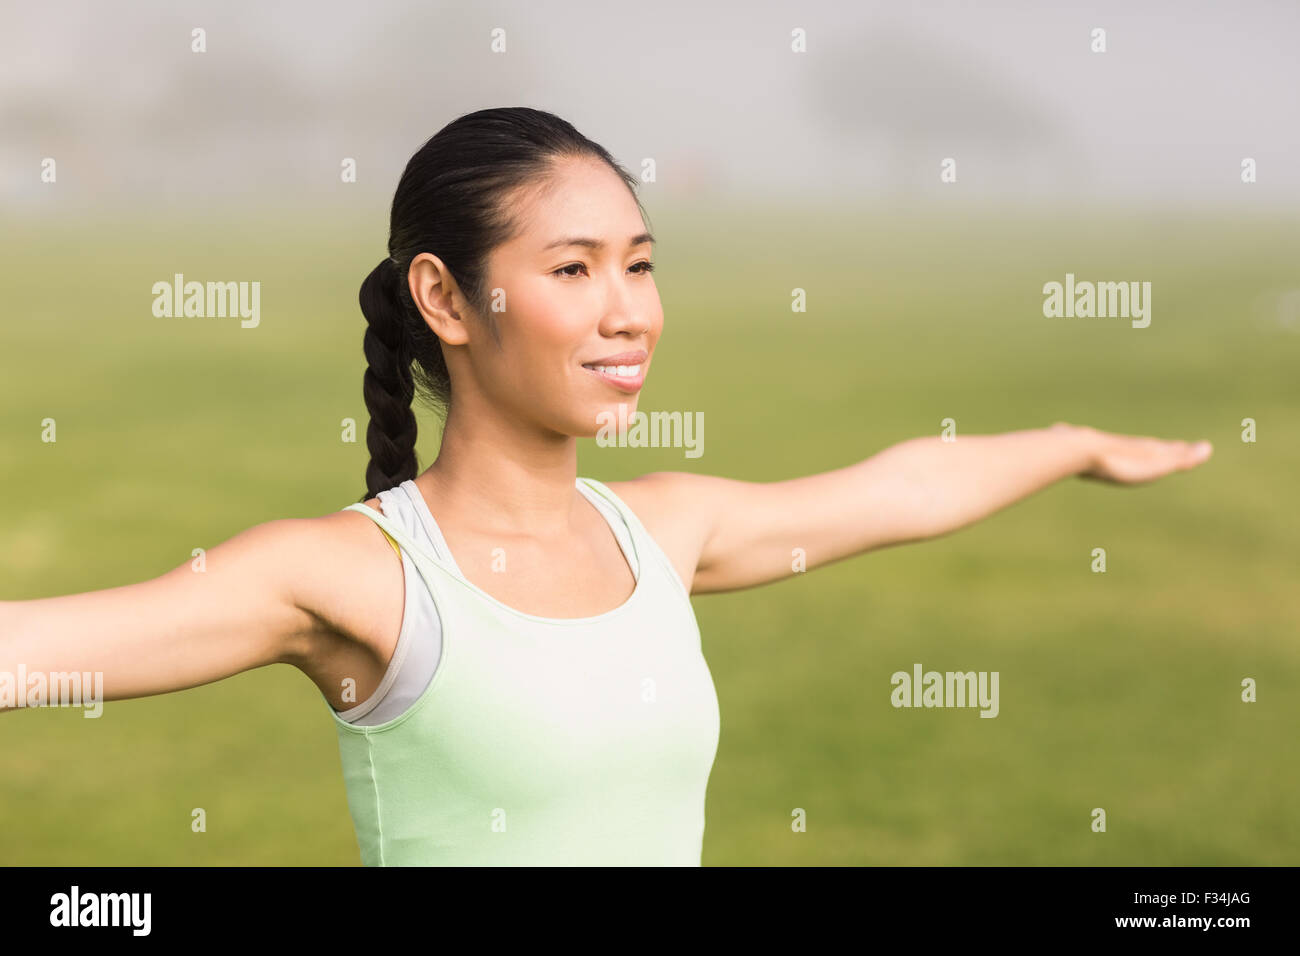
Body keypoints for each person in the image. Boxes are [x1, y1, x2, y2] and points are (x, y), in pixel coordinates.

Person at [0, 106, 1213, 866]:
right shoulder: (350, 577)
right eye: (572, 267)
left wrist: (1072, 443)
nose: (627, 311)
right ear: (443, 299)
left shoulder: (664, 529)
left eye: (637, 262)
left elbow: (902, 487)